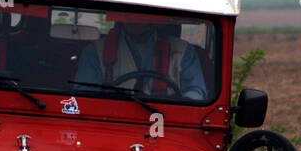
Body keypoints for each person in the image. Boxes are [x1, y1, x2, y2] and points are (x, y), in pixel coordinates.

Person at [73, 20, 207, 100]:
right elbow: (84, 96)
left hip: (165, 123)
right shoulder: (96, 51)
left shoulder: (183, 51)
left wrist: (179, 106)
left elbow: (197, 93)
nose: (137, 20)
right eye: (130, 13)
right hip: (114, 121)